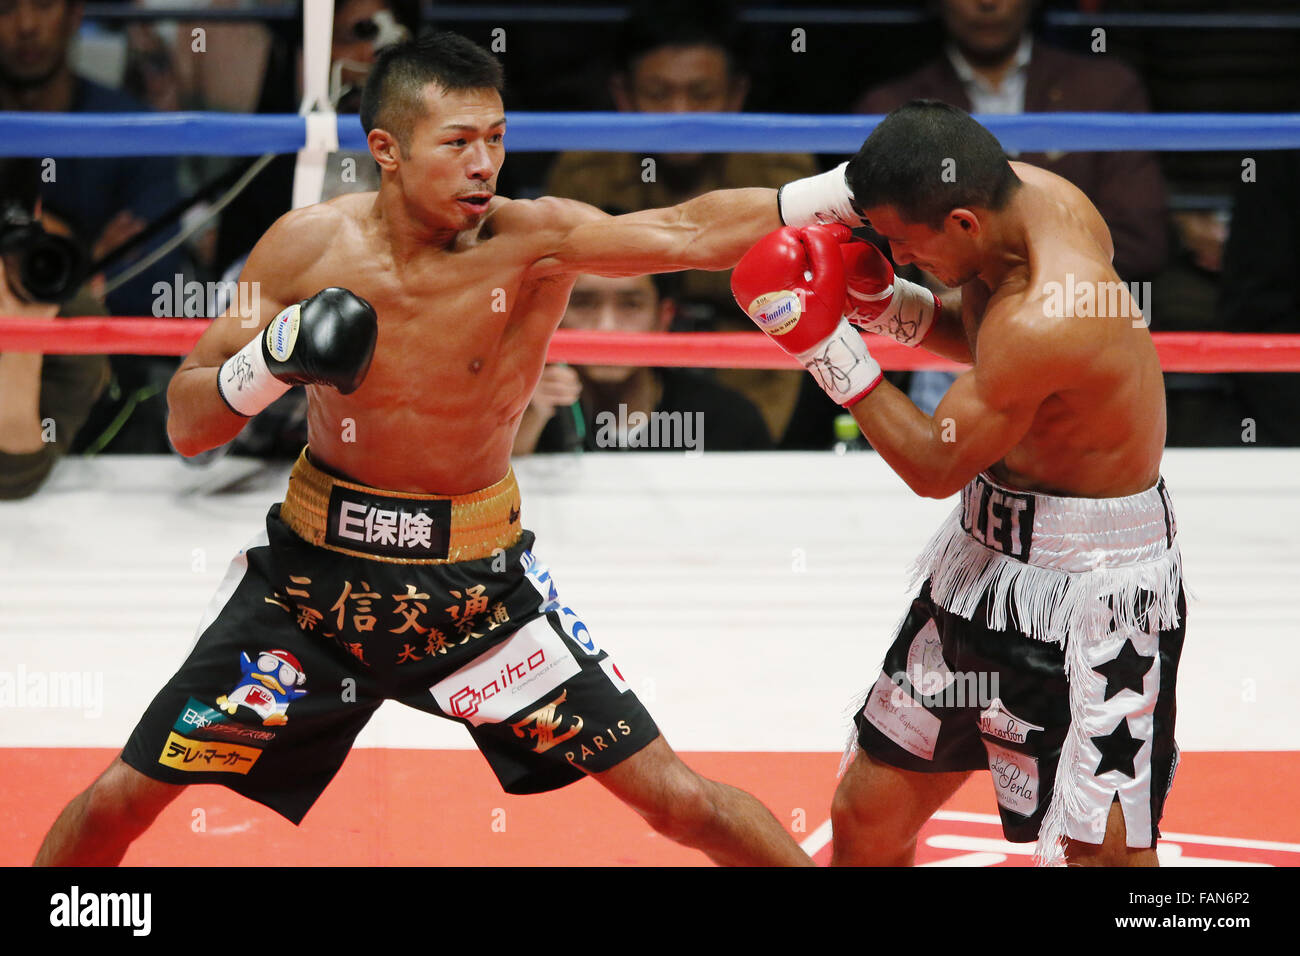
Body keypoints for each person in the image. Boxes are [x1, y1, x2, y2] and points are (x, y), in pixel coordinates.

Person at [33, 30, 848, 867]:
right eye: (458, 142)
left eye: (496, 138)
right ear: (384, 148)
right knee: (123, 797)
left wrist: (843, 190)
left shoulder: (533, 241)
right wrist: (268, 360)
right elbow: (187, 423)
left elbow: (685, 229)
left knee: (677, 799)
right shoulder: (305, 248)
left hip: (479, 596)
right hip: (314, 589)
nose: (484, 164)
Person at [731, 100, 1186, 866]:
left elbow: (936, 465)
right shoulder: (1029, 204)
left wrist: (822, 345)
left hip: (1091, 599)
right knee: (867, 812)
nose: (904, 259)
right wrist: (886, 305)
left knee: (1100, 855)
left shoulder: (1050, 311)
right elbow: (987, 341)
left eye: (907, 247)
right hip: (981, 568)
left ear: (964, 222)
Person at [544, 0, 819, 446]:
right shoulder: (582, 171)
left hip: (756, 364)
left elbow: (809, 304)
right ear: (623, 94)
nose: (679, 112)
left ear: (736, 94)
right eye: (657, 93)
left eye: (701, 93)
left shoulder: (780, 174)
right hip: (602, 379)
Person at [513, 272, 771, 455]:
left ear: (663, 317)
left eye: (630, 305)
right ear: (554, 314)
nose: (607, 327)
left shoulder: (727, 419)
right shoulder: (521, 414)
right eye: (583, 303)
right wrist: (529, 419)